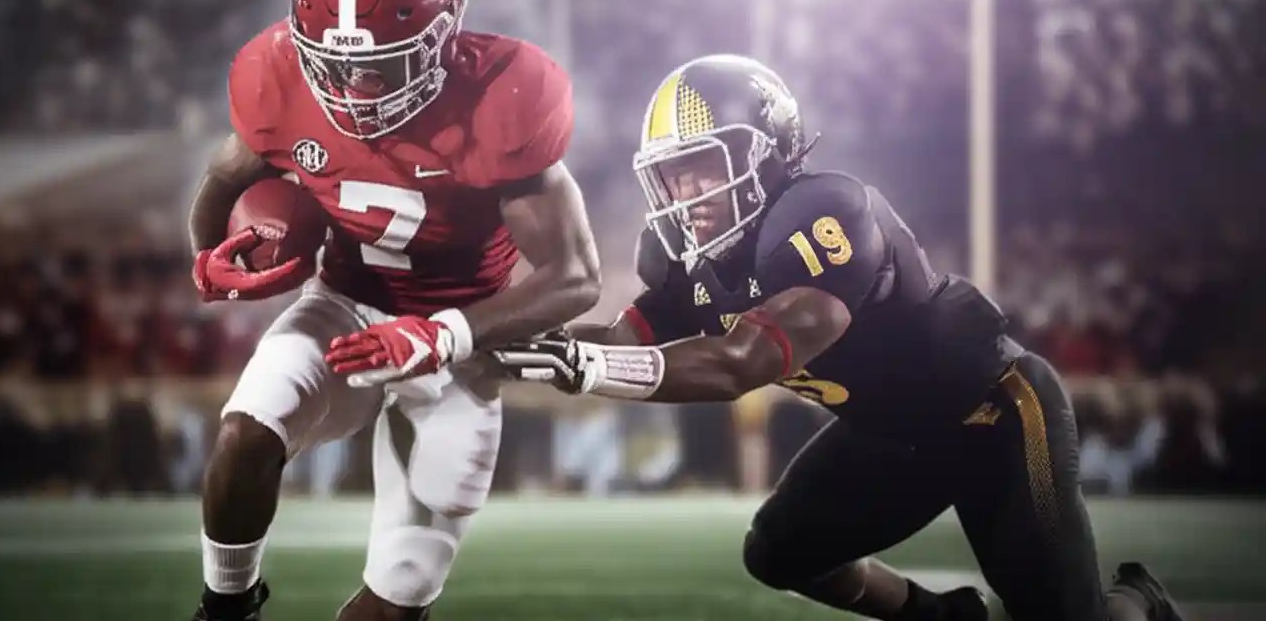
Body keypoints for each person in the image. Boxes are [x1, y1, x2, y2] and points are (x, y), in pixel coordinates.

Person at [495, 55, 1185, 621]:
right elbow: (619, 336)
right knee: (777, 551)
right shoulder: (696, 260)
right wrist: (491, 345)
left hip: (991, 412)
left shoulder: (825, 210)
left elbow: (746, 362)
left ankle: (1138, 604)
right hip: (891, 434)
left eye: (701, 166)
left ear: (766, 152)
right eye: (672, 174)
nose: (685, 193)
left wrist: (589, 366)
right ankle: (939, 618)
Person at [187, 0, 601, 620]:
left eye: (380, 63)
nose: (354, 86)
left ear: (446, 35)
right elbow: (223, 182)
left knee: (400, 594)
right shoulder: (278, 77)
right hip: (344, 306)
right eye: (334, 63)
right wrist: (206, 257)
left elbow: (574, 278)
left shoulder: (505, 96)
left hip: (461, 340)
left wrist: (442, 334)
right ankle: (227, 609)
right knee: (244, 433)